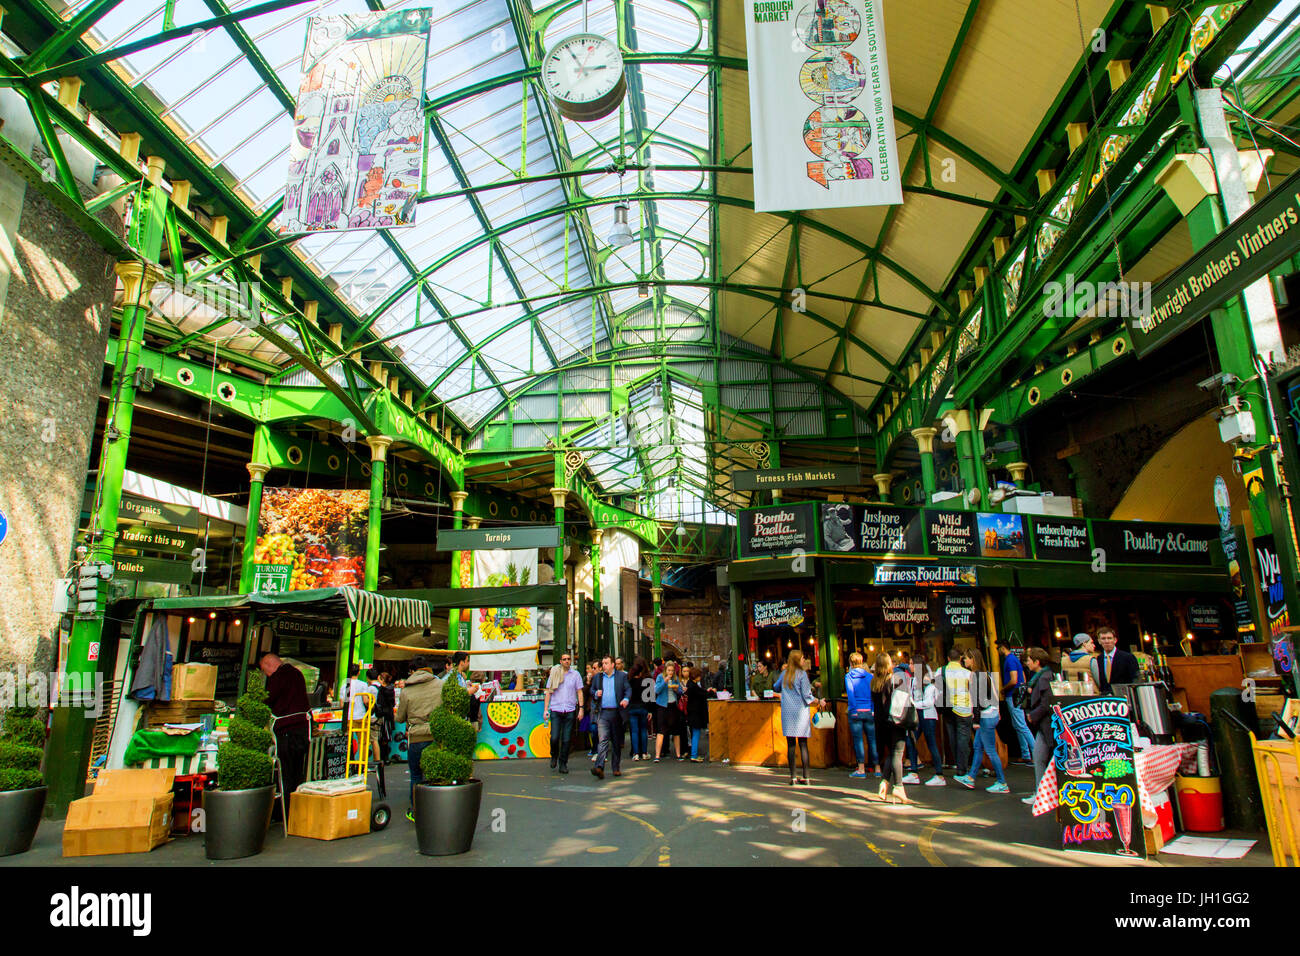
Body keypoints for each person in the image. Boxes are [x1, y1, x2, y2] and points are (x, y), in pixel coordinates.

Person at [258, 652, 309, 815]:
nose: (265, 674)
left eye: (263, 669)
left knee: (285, 772)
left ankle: (284, 811)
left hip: (286, 731)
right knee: (298, 770)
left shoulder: (278, 678)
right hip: (302, 730)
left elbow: (268, 700)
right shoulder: (297, 673)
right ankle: (297, 808)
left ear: (267, 664)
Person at [394, 656, 443, 820]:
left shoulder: (407, 690)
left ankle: (416, 810)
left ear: (412, 670)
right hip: (437, 734)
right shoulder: (440, 684)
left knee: (416, 775)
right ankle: (438, 808)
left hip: (416, 737)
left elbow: (400, 718)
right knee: (436, 773)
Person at [956, 649, 1009, 793]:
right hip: (990, 714)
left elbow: (976, 700)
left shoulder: (975, 676)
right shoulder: (985, 675)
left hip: (985, 716)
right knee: (978, 747)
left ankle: (1002, 782)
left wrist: (976, 720)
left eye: (966, 658)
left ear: (973, 659)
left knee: (990, 750)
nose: (964, 661)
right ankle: (971, 777)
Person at [773, 650, 823, 785]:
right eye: (802, 658)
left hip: (787, 713)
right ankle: (806, 777)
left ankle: (793, 777)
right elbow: (807, 695)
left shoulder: (784, 674)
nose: (803, 660)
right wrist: (818, 701)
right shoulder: (802, 675)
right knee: (803, 744)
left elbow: (775, 687)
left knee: (790, 745)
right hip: (801, 713)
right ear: (797, 660)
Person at [871, 652, 910, 804]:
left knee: (891, 753)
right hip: (894, 721)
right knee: (897, 753)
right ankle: (899, 786)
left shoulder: (874, 683)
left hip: (880, 723)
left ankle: (884, 783)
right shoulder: (894, 680)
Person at [1023, 647, 1056, 804]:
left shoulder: (1043, 679)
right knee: (1040, 757)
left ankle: (1042, 793)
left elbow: (1046, 702)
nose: (1027, 663)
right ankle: (1043, 792)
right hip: (1045, 725)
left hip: (1046, 724)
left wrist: (1033, 715)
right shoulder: (1044, 676)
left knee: (1040, 757)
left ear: (1037, 661)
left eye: (1029, 660)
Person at [905, 653, 944, 787]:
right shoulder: (914, 680)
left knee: (931, 743)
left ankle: (939, 774)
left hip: (927, 715)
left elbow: (929, 701)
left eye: (911, 663)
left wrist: (914, 704)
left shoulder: (927, 679)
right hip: (919, 714)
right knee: (911, 741)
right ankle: (914, 772)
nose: (909, 666)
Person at [543, 652, 584, 773]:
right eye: (564, 659)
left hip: (570, 709)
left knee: (566, 739)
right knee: (554, 737)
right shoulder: (555, 673)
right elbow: (548, 691)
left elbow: (579, 691)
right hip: (556, 709)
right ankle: (554, 754)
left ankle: (563, 763)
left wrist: (581, 708)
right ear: (560, 661)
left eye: (568, 659)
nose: (567, 661)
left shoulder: (575, 675)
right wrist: (546, 709)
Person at [590, 655, 630, 779]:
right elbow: (592, 690)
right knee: (603, 740)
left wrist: (626, 699)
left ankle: (616, 767)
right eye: (603, 663)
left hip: (617, 712)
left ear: (613, 664)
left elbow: (628, 689)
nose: (604, 665)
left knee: (616, 742)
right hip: (603, 712)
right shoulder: (598, 677)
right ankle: (599, 766)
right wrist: (596, 693)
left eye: (606, 663)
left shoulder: (621, 676)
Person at [998, 643, 1035, 765]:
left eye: (998, 648)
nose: (998, 651)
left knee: (1021, 725)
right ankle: (1026, 755)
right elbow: (1022, 678)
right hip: (1018, 694)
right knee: (1018, 724)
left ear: (1003, 648)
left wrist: (1003, 689)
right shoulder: (1014, 658)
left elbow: (1013, 679)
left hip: (1012, 695)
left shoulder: (1010, 660)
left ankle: (1036, 754)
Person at [844, 652, 879, 778]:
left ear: (851, 663)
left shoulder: (849, 677)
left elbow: (851, 694)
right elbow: (873, 694)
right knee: (872, 739)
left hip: (856, 711)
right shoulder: (870, 676)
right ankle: (877, 767)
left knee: (858, 740)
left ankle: (861, 769)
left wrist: (853, 710)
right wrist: (873, 709)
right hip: (869, 710)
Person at [940, 647, 973, 776]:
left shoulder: (941, 671)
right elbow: (972, 692)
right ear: (960, 659)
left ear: (948, 658)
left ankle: (957, 764)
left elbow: (937, 690)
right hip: (964, 707)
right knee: (963, 738)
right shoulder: (967, 673)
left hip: (948, 708)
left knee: (952, 737)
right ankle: (963, 767)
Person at [653, 660, 686, 762]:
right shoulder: (660, 677)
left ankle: (678, 754)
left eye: (672, 670)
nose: (670, 672)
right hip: (662, 706)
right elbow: (656, 690)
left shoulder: (675, 678)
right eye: (669, 670)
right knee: (661, 731)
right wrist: (665, 681)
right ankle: (657, 755)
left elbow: (680, 691)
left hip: (673, 705)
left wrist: (677, 690)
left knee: (676, 731)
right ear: (665, 670)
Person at [1091, 626, 1138, 694]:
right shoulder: (1098, 659)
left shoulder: (1128, 657)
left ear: (1115, 640)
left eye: (1109, 638)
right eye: (1103, 639)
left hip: (1124, 697)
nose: (1107, 641)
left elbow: (1136, 680)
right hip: (1106, 699)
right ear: (1099, 641)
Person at [626, 657, 653, 760]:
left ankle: (636, 753)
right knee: (643, 730)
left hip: (632, 708)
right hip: (643, 707)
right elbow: (651, 696)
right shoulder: (648, 679)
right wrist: (650, 710)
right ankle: (645, 752)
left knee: (634, 731)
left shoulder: (630, 681)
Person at [449, 651, 482, 726]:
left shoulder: (459, 676)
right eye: (467, 661)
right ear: (462, 662)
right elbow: (454, 695)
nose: (469, 663)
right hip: (457, 717)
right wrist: (469, 691)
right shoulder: (452, 676)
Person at [684, 666, 710, 761]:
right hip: (696, 714)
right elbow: (703, 693)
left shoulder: (690, 685)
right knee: (696, 734)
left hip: (691, 713)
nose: (700, 677)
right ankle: (694, 755)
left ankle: (694, 754)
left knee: (694, 733)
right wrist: (709, 691)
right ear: (696, 676)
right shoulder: (694, 686)